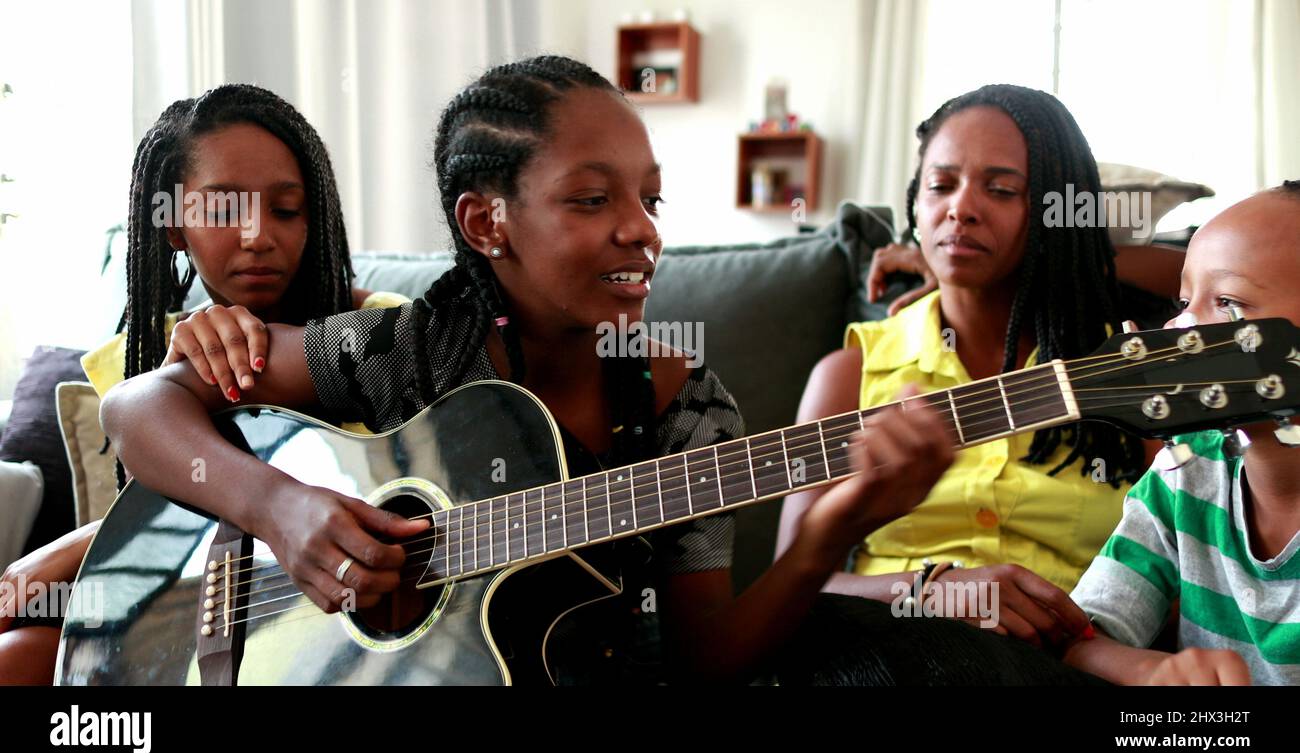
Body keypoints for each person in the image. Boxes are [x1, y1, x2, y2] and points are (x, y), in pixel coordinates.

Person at [95, 56, 955, 684]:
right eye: (593, 198)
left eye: (649, 199)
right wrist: (280, 508)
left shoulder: (686, 405)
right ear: (485, 222)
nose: (642, 230)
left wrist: (826, 535)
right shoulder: (404, 352)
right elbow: (137, 407)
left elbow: (708, 663)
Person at [0, 84, 405, 685]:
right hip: (199, 621)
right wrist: (180, 381)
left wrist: (61, 553)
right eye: (221, 211)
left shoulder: (385, 330)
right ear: (173, 228)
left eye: (287, 210)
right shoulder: (144, 356)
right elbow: (167, 537)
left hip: (346, 630)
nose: (257, 236)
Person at [777, 84, 1153, 649]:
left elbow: (1180, 575)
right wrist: (935, 592)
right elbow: (791, 585)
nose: (961, 208)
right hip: (890, 659)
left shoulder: (1121, 370)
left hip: (1069, 665)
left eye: (1001, 189)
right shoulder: (849, 373)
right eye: (940, 186)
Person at [1065, 182, 1300, 685]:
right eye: (1184, 301)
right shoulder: (1184, 472)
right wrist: (1152, 672)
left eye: (1229, 304)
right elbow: (1079, 639)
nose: (1180, 328)